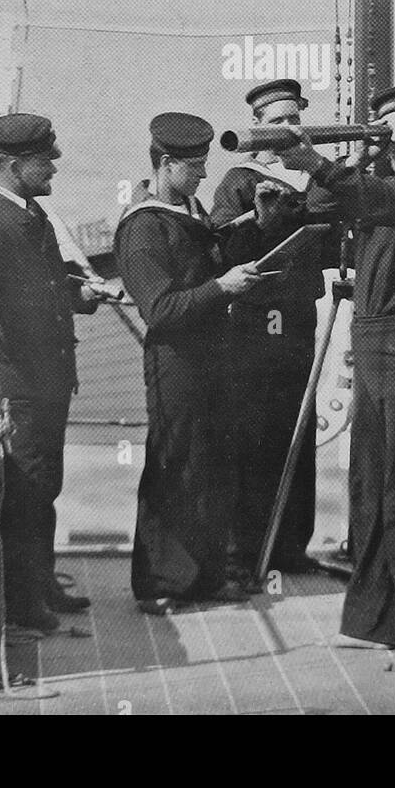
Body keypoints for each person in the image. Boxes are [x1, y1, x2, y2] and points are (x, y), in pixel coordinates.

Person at [274, 82, 395, 672]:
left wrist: (317, 161)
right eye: (389, 128)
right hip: (372, 342)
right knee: (369, 492)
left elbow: (386, 202)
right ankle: (373, 620)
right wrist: (349, 161)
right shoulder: (386, 181)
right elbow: (321, 210)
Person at [0, 113, 100, 634]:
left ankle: (38, 582)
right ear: (16, 165)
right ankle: (22, 604)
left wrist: (82, 296)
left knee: (44, 487)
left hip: (49, 382)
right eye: (46, 161)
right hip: (20, 389)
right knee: (23, 493)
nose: (54, 169)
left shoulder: (30, 216)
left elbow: (42, 289)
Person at [114, 112, 261, 614]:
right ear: (167, 164)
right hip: (175, 363)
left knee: (214, 464)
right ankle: (158, 581)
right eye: (195, 166)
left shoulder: (191, 213)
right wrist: (223, 287)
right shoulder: (143, 229)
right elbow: (160, 309)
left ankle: (205, 575)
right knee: (173, 465)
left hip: (214, 357)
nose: (203, 175)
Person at [211, 78, 335, 581]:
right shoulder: (238, 183)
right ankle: (243, 552)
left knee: (296, 431)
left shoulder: (308, 178)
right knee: (252, 435)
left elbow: (328, 249)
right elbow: (221, 257)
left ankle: (289, 547)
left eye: (294, 120)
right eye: (278, 122)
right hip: (256, 326)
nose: (288, 129)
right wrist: (259, 225)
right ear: (258, 128)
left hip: (298, 323)